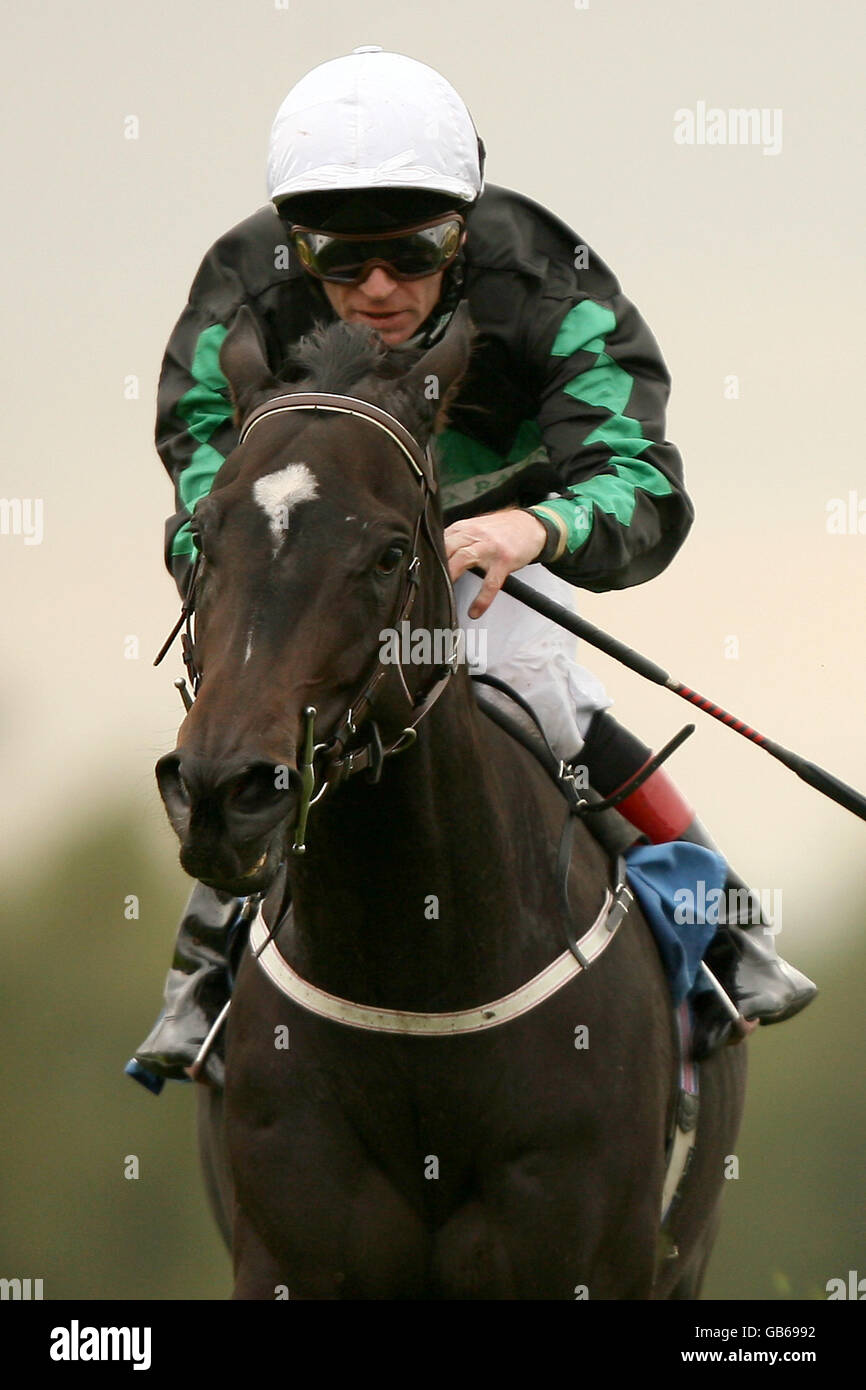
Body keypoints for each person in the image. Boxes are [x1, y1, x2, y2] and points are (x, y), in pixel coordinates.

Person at [129, 47, 814, 1091]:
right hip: (311, 569)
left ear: (463, 223)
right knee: (254, 709)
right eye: (338, 257)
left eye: (412, 252)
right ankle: (205, 965)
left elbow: (641, 479)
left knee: (536, 679)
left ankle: (721, 922)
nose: (374, 287)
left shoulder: (543, 278)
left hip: (484, 546)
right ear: (293, 241)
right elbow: (202, 482)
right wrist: (244, 574)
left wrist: (535, 530)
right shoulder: (239, 284)